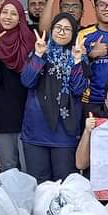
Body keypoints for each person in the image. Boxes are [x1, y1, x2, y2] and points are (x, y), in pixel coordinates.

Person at [21, 14, 90, 182]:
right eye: (58, 28)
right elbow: (27, 81)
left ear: (74, 33)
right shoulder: (39, 51)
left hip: (65, 132)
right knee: (39, 184)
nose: (62, 32)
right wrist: (38, 55)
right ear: (51, 30)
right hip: (36, 129)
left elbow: (78, 89)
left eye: (67, 29)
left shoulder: (80, 56)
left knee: (65, 184)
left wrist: (77, 60)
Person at [0, 0, 34, 171]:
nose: (8, 17)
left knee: (29, 169)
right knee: (9, 170)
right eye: (5, 12)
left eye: (14, 13)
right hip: (2, 115)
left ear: (20, 18)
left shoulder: (30, 40)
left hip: (28, 114)